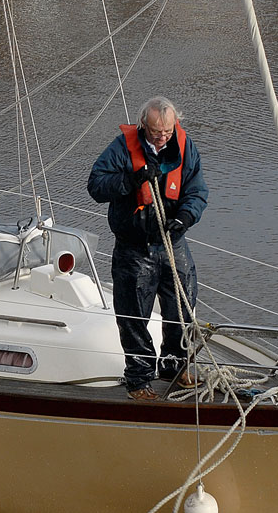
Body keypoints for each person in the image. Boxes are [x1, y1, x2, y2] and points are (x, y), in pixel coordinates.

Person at [87, 96, 209, 401]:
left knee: (182, 309)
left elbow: (196, 190)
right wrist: (131, 180)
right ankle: (139, 379)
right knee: (134, 317)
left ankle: (175, 367)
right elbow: (96, 185)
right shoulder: (120, 148)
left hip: (172, 243)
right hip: (134, 247)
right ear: (144, 125)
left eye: (167, 132)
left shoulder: (185, 147)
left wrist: (185, 217)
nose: (163, 137)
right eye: (156, 132)